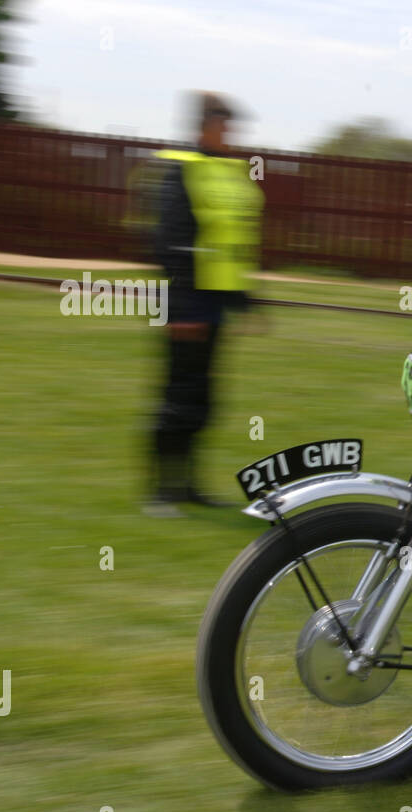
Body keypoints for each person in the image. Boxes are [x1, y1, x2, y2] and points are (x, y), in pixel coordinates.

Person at [147, 91, 264, 515]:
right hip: (184, 303)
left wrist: (244, 301)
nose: (230, 129)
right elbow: (169, 241)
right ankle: (159, 492)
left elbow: (227, 242)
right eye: (223, 121)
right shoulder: (182, 169)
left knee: (202, 400)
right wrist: (181, 308)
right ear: (204, 124)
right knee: (176, 397)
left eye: (231, 122)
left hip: (213, 302)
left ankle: (188, 486)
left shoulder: (227, 171)